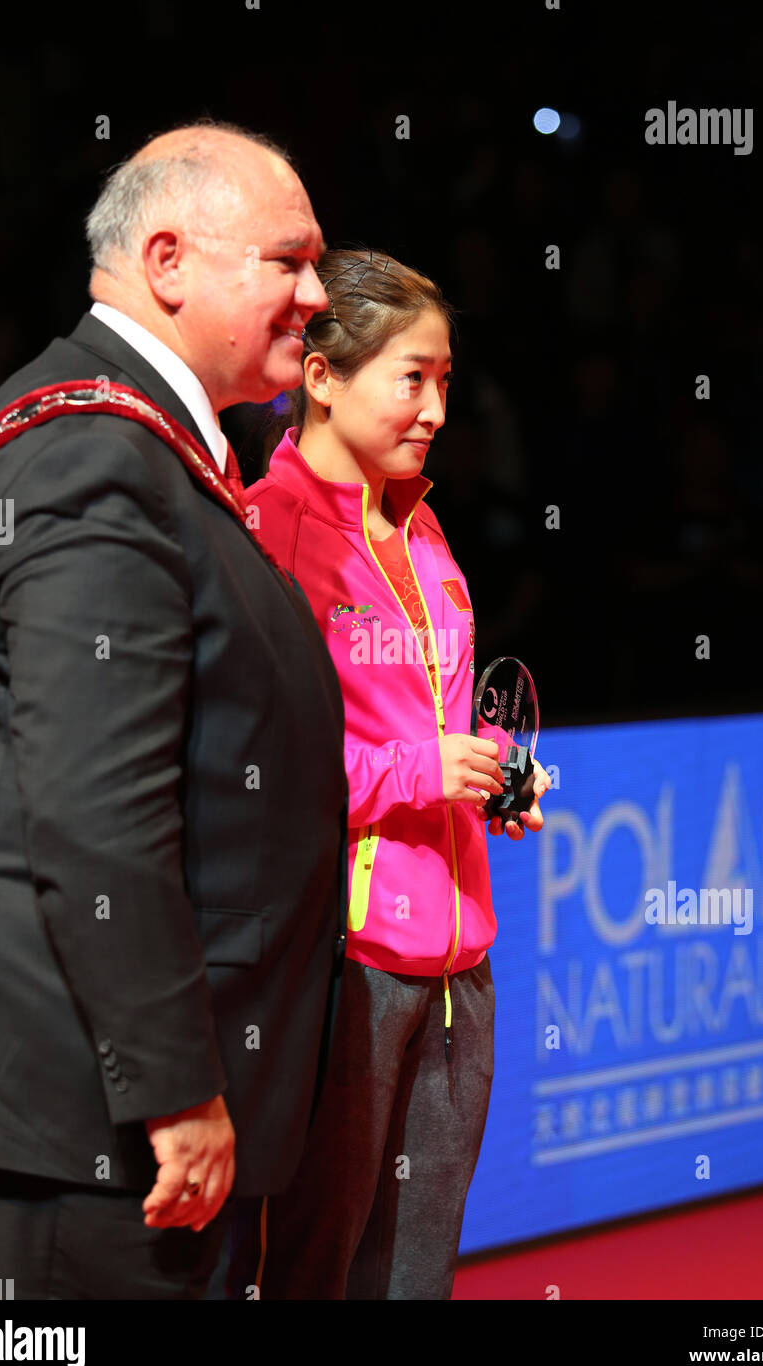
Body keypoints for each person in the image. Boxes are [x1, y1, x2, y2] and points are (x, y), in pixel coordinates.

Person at [0, 121, 348, 1299]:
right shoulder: (91, 454)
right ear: (167, 262)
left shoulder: (119, 437)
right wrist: (172, 1085)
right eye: (290, 260)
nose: (319, 294)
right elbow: (93, 809)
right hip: (100, 1122)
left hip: (107, 1110)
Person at [220, 248, 550, 1299]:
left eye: (445, 378)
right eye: (412, 375)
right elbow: (251, 769)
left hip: (460, 963)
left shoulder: (420, 521)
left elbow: (430, 721)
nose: (436, 407)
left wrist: (488, 779)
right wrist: (418, 770)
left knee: (416, 1272)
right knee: (319, 1267)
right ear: (321, 377)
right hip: (348, 964)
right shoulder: (271, 532)